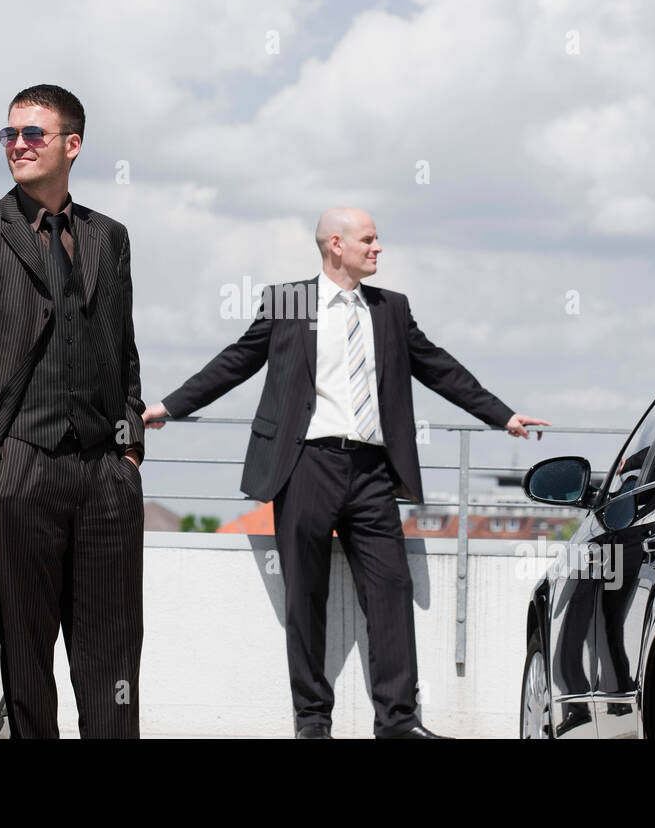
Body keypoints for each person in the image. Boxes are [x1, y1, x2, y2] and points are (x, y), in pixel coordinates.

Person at [142, 207, 549, 738]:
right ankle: (313, 723)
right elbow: (237, 360)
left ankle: (398, 723)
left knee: (390, 591)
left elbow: (439, 367)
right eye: (369, 239)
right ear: (336, 244)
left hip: (372, 472)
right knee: (304, 597)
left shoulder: (391, 309)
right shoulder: (290, 300)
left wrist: (503, 415)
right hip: (304, 464)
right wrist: (169, 407)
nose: (378, 248)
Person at [0, 84, 145, 738]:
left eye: (32, 134)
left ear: (71, 146)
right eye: (10, 134)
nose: (17, 145)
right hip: (17, 470)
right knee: (28, 663)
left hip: (104, 476)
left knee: (114, 663)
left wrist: (129, 450)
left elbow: (123, 349)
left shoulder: (110, 237)